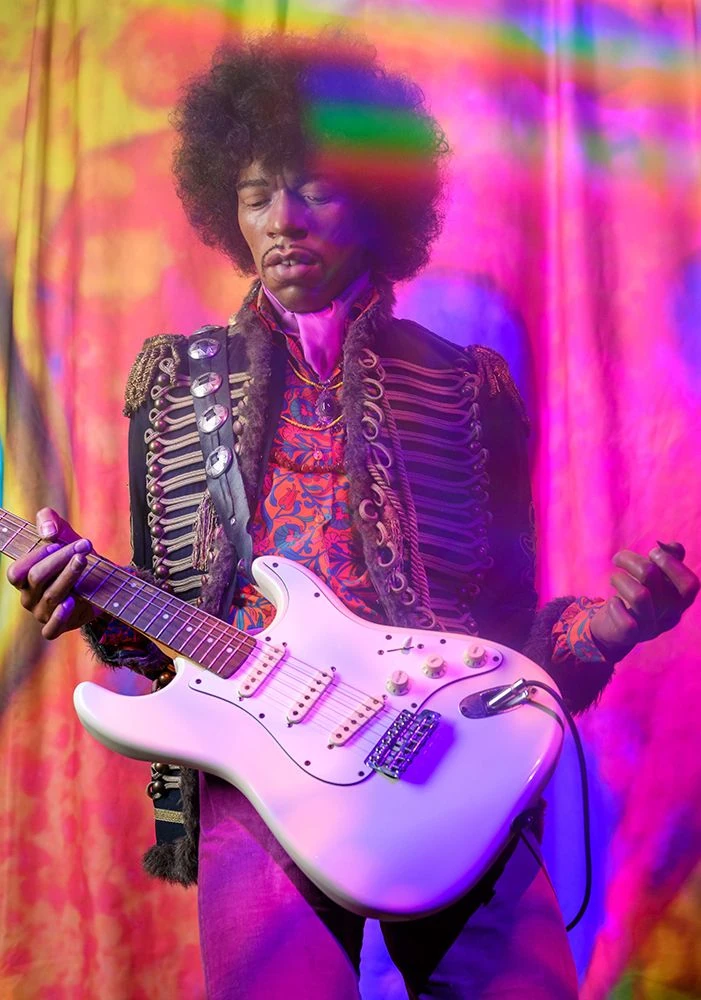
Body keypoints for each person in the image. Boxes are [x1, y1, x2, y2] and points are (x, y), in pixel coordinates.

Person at [7, 31, 699, 1000]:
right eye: (256, 195)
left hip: (444, 771)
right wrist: (81, 597)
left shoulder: (466, 390)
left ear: (374, 202)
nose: (282, 220)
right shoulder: (175, 386)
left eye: (315, 191)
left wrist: (618, 623)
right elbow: (158, 637)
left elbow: (512, 637)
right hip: (260, 788)